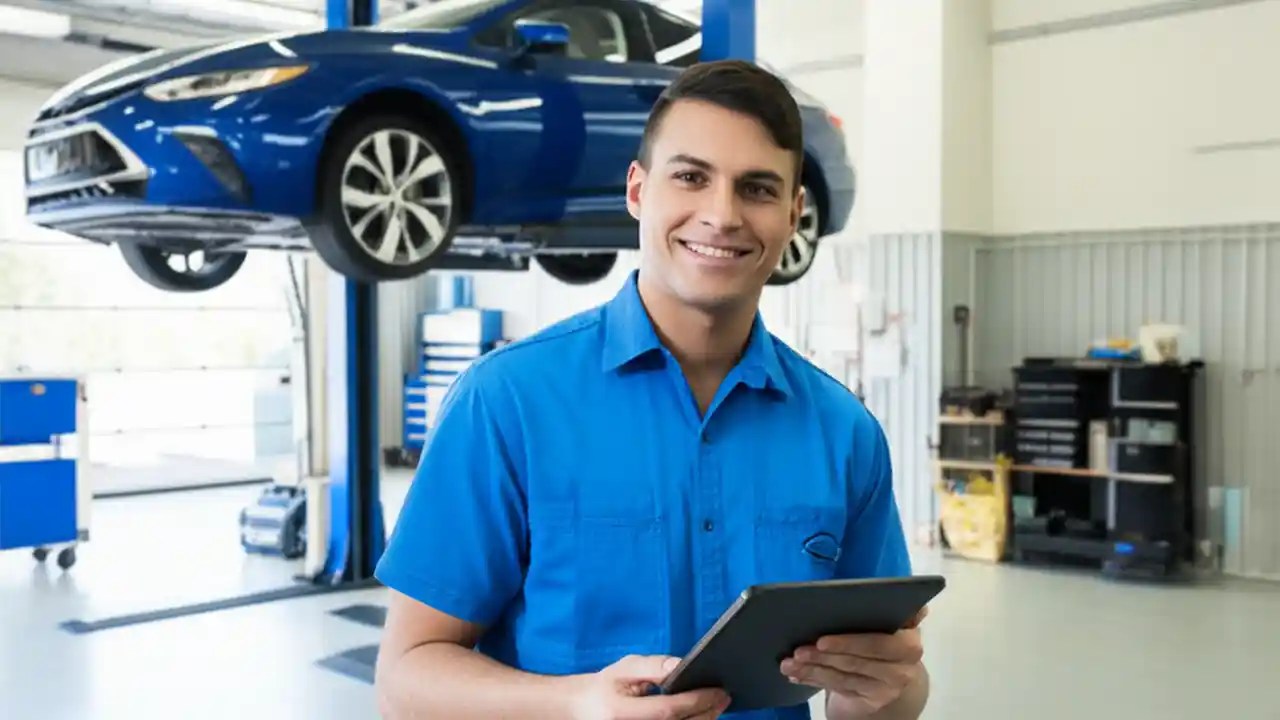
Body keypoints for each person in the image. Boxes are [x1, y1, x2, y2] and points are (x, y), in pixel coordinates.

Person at [372, 60, 930, 720]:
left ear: (793, 214)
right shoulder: (506, 404)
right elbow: (405, 678)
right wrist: (574, 705)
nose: (721, 215)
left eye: (756, 188)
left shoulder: (844, 432)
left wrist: (886, 690)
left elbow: (886, 689)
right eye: (691, 177)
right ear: (637, 190)